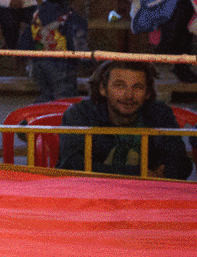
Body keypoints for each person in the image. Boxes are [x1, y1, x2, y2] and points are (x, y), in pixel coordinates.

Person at [58, 61, 192, 179]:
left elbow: (181, 164)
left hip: (146, 195)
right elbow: (72, 165)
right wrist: (139, 175)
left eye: (138, 87)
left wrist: (165, 173)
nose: (129, 95)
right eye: (120, 86)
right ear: (103, 89)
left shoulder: (160, 114)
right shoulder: (81, 114)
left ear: (148, 92)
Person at [20, 0, 87, 103]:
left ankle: (41, 114)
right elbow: (78, 41)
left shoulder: (37, 14)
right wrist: (87, 60)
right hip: (62, 64)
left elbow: (26, 37)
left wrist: (23, 57)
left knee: (45, 96)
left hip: (37, 64)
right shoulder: (72, 17)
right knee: (64, 98)